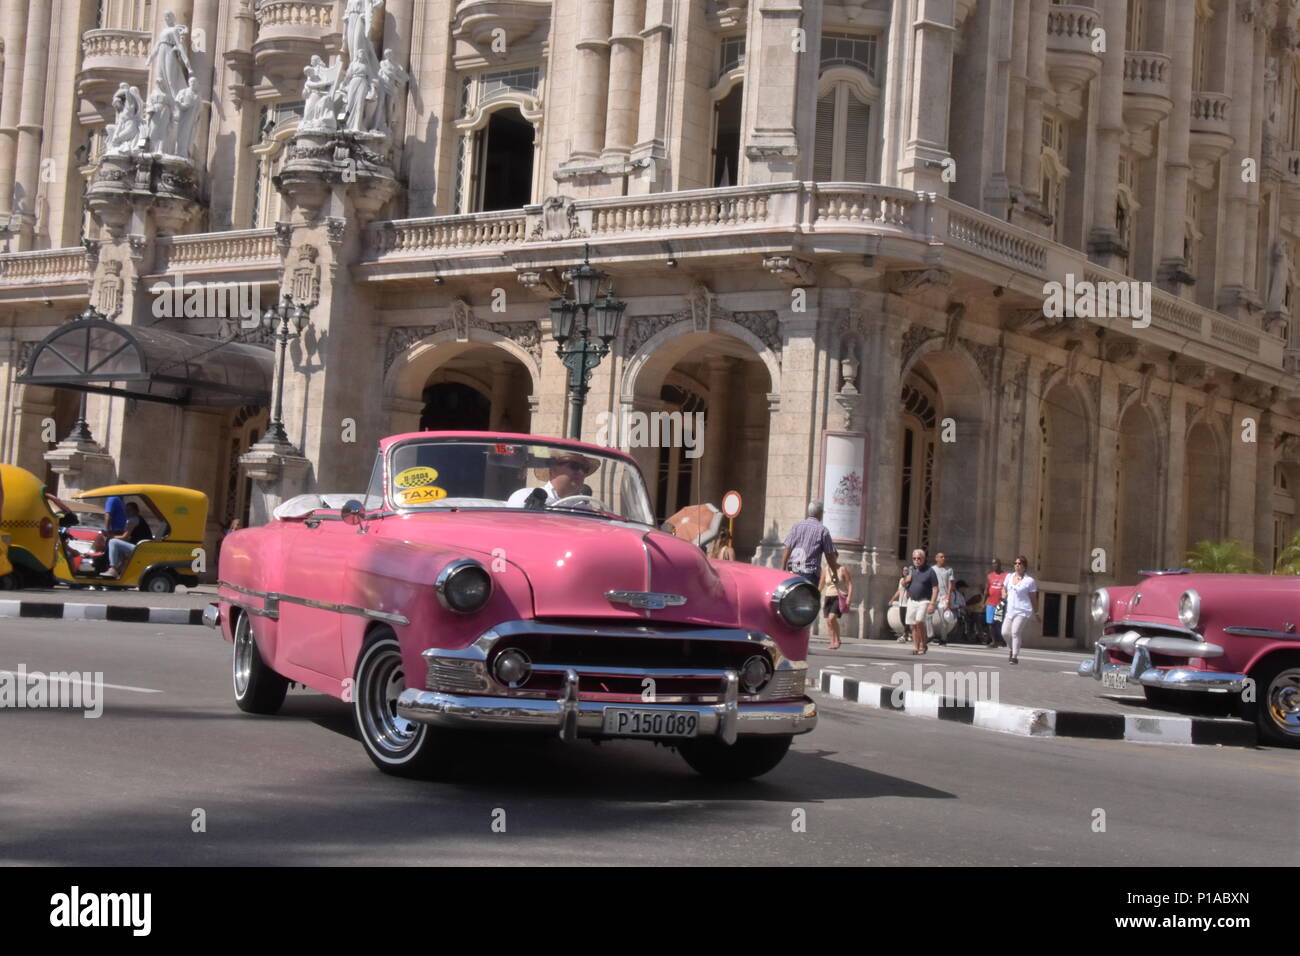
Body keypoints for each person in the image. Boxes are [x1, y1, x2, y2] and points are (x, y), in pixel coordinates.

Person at [780, 500, 840, 589]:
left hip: (792, 572)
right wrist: (834, 573)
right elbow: (829, 555)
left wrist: (782, 568)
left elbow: (787, 548)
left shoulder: (797, 526)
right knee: (806, 601)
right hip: (809, 575)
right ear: (820, 513)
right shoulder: (823, 530)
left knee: (793, 601)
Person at [506, 451, 599, 508]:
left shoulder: (585, 509)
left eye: (585, 468)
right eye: (574, 466)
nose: (581, 472)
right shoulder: (524, 497)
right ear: (553, 468)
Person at [1001, 555, 1039, 664]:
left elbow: (1033, 598)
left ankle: (1014, 656)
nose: (1017, 565)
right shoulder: (1008, 577)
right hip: (1010, 610)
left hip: (1023, 610)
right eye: (1015, 563)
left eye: (1020, 563)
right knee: (1004, 633)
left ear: (1024, 566)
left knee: (1015, 632)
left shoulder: (1029, 581)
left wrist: (1036, 612)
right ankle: (1012, 648)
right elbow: (1003, 588)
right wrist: (1004, 593)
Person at [902, 548, 939, 655]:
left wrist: (932, 603)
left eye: (919, 558)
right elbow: (904, 584)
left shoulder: (930, 571)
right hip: (912, 600)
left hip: (924, 600)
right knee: (913, 625)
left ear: (924, 559)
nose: (916, 560)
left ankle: (923, 644)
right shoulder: (911, 570)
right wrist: (906, 580)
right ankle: (916, 647)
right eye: (914, 558)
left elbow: (935, 588)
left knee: (919, 621)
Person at [103, 502, 151, 579]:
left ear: (136, 511)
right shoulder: (135, 519)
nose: (127, 512)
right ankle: (120, 573)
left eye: (130, 510)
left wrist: (110, 536)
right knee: (118, 545)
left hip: (140, 548)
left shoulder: (134, 519)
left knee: (113, 542)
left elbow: (125, 537)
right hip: (140, 547)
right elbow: (127, 536)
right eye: (126, 510)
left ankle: (113, 568)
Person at [818, 561, 853, 650]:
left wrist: (849, 597)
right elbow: (821, 584)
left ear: (835, 557)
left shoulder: (842, 569)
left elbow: (850, 584)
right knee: (828, 622)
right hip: (828, 597)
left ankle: (837, 640)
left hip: (839, 596)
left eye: (832, 557)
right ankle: (832, 641)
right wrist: (815, 595)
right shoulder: (826, 569)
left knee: (832, 618)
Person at [930, 551, 955, 645]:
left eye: (944, 557)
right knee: (928, 617)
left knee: (943, 619)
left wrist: (948, 598)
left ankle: (943, 639)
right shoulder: (932, 569)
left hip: (943, 597)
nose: (943, 558)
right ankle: (930, 636)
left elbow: (951, 584)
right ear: (936, 558)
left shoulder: (949, 569)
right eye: (941, 557)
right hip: (933, 596)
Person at [983, 558, 1008, 648]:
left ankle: (1003, 640)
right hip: (990, 603)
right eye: (993, 564)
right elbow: (986, 589)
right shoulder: (990, 576)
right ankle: (994, 642)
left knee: (998, 623)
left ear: (1000, 564)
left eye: (996, 563)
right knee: (990, 623)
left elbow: (1008, 588)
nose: (994, 565)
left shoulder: (1006, 576)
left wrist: (1005, 598)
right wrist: (984, 602)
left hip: (1000, 603)